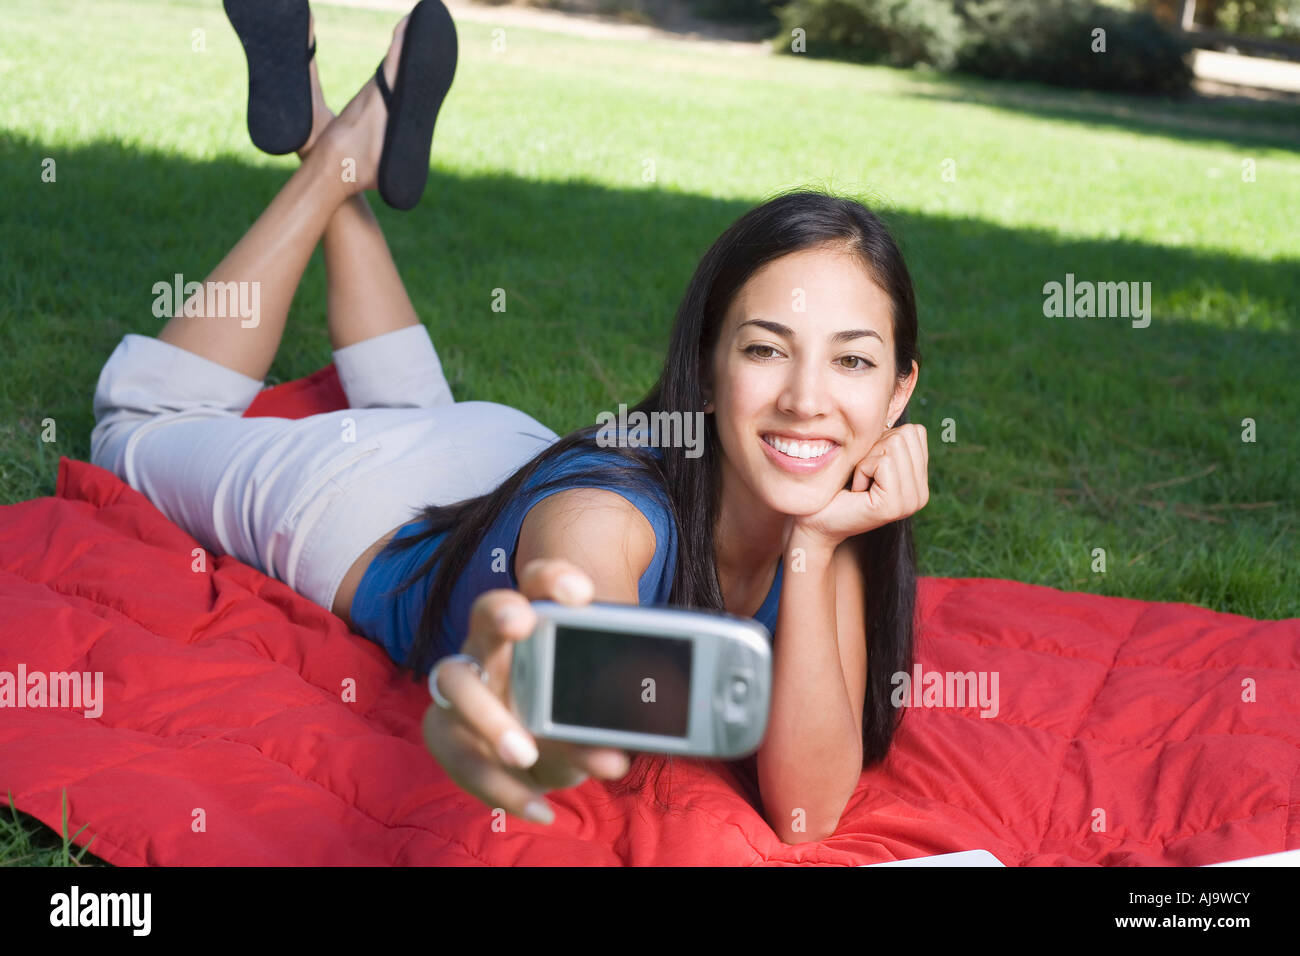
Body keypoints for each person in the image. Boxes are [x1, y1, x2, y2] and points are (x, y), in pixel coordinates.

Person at [90, 2, 928, 845]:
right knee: (134, 424)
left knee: (414, 411)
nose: (807, 399)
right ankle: (332, 159)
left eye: (853, 360)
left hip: (499, 453)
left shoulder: (831, 527)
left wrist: (816, 547)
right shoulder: (610, 514)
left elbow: (806, 810)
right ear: (705, 374)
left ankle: (332, 135)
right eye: (765, 350)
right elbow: (574, 608)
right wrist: (537, 676)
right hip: (364, 503)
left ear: (900, 393)